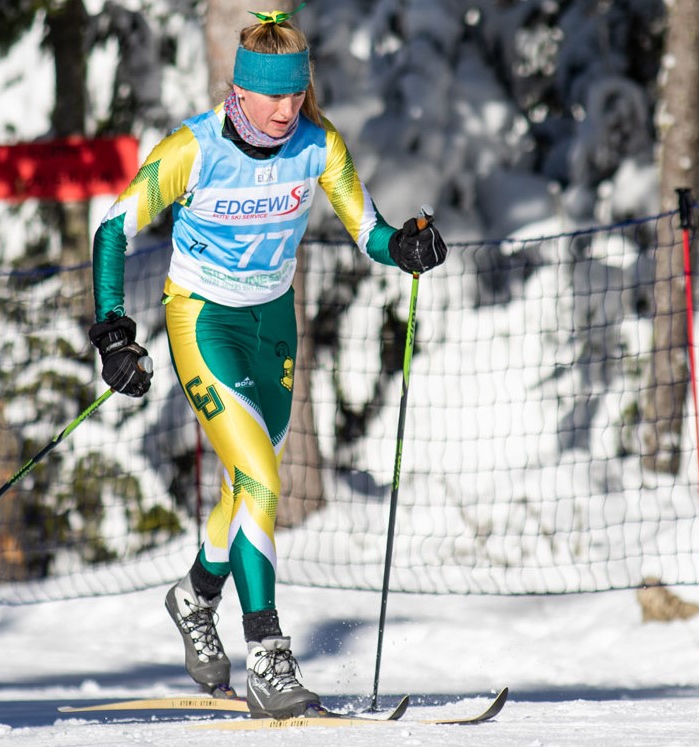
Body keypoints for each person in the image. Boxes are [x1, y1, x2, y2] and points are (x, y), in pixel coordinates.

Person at [86, 5, 447, 719]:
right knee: (259, 477)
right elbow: (112, 228)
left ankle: (194, 596)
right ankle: (268, 656)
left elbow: (367, 229)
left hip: (273, 325)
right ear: (239, 88)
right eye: (272, 94)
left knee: (249, 483)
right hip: (202, 319)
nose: (285, 109)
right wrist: (112, 331)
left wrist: (403, 246)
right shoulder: (191, 148)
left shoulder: (318, 145)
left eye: (295, 92)